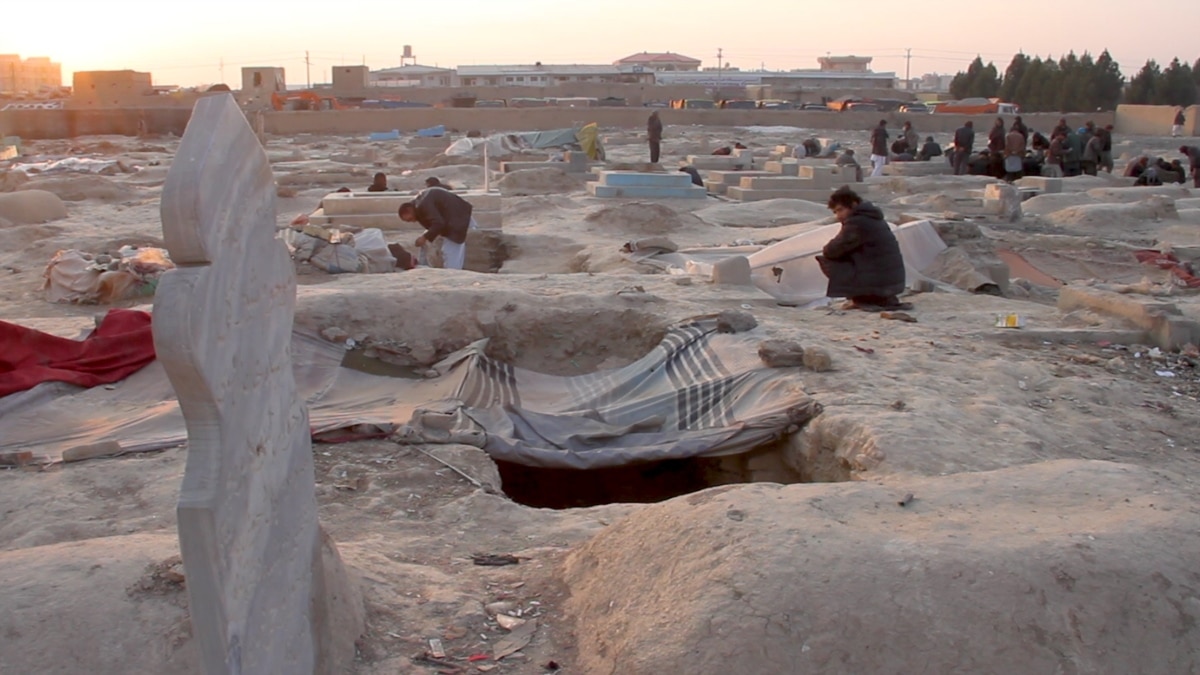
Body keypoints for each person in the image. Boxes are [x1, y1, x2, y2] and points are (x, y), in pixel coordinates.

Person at [816, 186, 907, 311]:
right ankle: (876, 297)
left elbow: (832, 250)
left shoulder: (858, 222)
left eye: (840, 210)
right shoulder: (872, 217)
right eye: (835, 212)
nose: (838, 216)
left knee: (828, 260)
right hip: (890, 284)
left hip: (880, 283)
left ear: (853, 205)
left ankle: (863, 297)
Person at [397, 186, 475, 270]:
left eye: (410, 219)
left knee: (450, 251)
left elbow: (438, 223)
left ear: (410, 209)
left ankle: (452, 273)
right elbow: (434, 222)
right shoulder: (419, 205)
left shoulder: (423, 205)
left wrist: (425, 237)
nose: (413, 221)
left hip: (457, 219)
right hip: (456, 216)